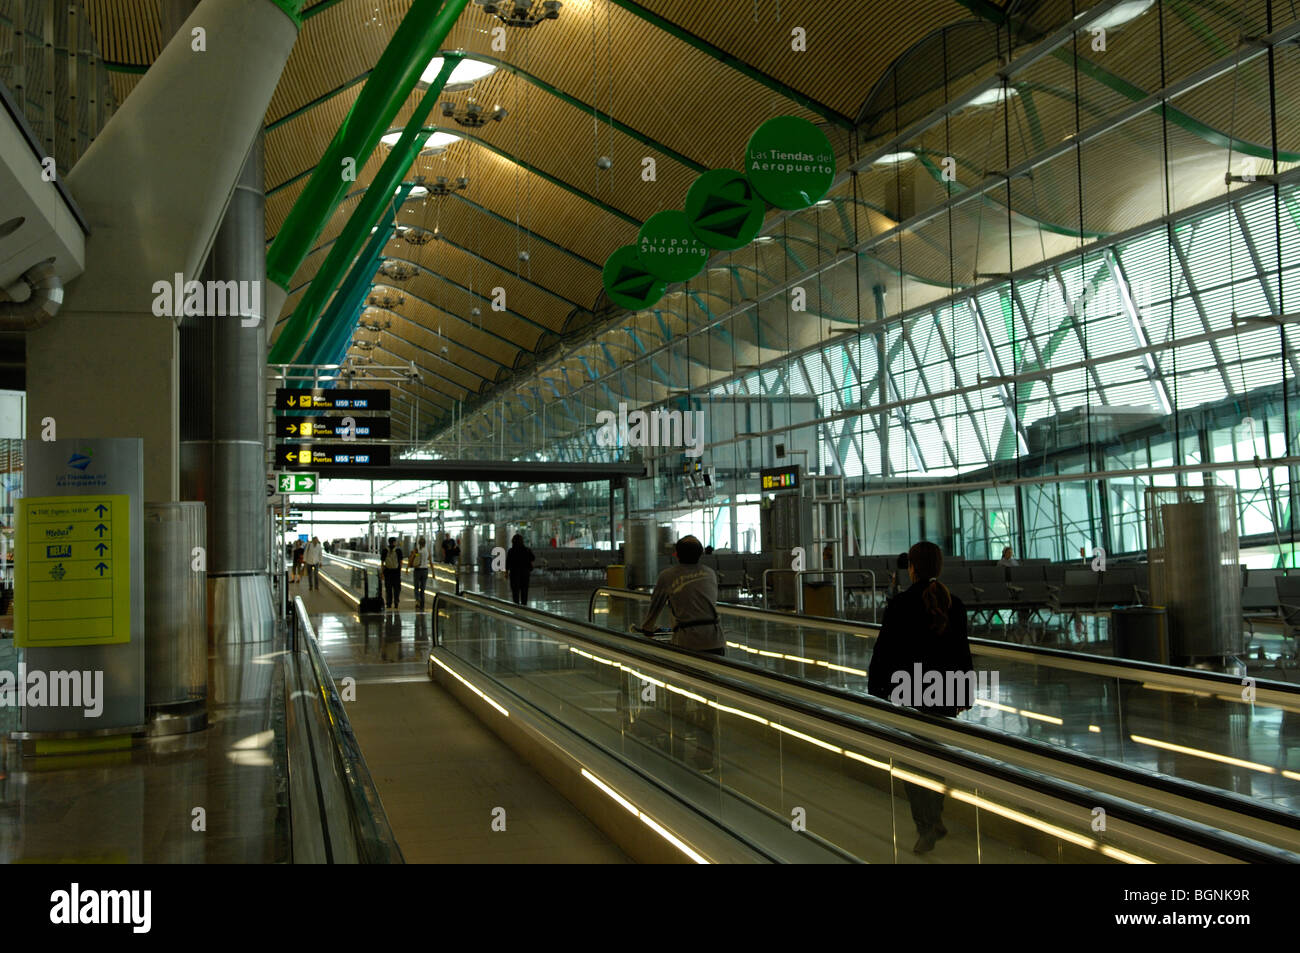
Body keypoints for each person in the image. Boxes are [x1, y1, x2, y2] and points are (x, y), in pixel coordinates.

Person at [867, 541, 975, 855]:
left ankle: (926, 825)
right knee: (936, 754)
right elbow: (962, 652)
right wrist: (964, 693)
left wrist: (876, 689)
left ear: (912, 568)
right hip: (945, 691)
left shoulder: (900, 604)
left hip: (909, 691)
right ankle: (936, 815)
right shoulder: (954, 602)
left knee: (911, 761)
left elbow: (884, 651)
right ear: (938, 568)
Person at [636, 535, 724, 773]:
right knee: (708, 701)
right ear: (701, 554)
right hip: (715, 640)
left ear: (675, 554)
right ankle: (706, 758)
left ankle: (676, 749)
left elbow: (655, 606)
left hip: (686, 642)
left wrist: (647, 628)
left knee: (678, 697)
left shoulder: (668, 576)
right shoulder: (709, 573)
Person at [505, 534, 535, 606]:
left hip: (514, 574)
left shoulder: (511, 551)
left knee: (515, 591)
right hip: (525, 573)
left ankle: (516, 606)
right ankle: (524, 606)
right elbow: (533, 558)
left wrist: (506, 572)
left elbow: (507, 563)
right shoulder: (527, 550)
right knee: (524, 590)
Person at [380, 537, 403, 609]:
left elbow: (382, 563)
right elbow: (401, 562)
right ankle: (396, 603)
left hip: (387, 572)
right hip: (396, 573)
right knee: (397, 589)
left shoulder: (385, 550)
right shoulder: (398, 550)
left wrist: (382, 573)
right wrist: (400, 570)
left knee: (388, 588)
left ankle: (388, 603)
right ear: (394, 542)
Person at [409, 536, 429, 610]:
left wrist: (409, 566)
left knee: (416, 587)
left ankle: (418, 601)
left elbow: (414, 557)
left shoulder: (418, 551)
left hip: (418, 570)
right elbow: (428, 559)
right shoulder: (427, 551)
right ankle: (422, 602)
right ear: (425, 543)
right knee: (423, 588)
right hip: (425, 570)